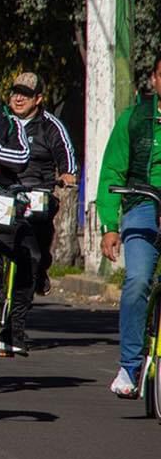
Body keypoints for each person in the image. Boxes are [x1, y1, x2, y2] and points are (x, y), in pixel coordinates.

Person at [0, 72, 77, 355]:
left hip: (37, 197)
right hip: (2, 197)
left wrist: (67, 175)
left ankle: (14, 329)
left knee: (33, 257)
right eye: (14, 92)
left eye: (26, 94)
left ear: (38, 99)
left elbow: (66, 158)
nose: (18, 98)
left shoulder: (50, 126)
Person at [97, 58, 161, 398]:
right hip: (142, 205)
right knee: (137, 281)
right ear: (154, 78)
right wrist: (109, 225)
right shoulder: (135, 119)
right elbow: (112, 173)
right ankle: (130, 366)